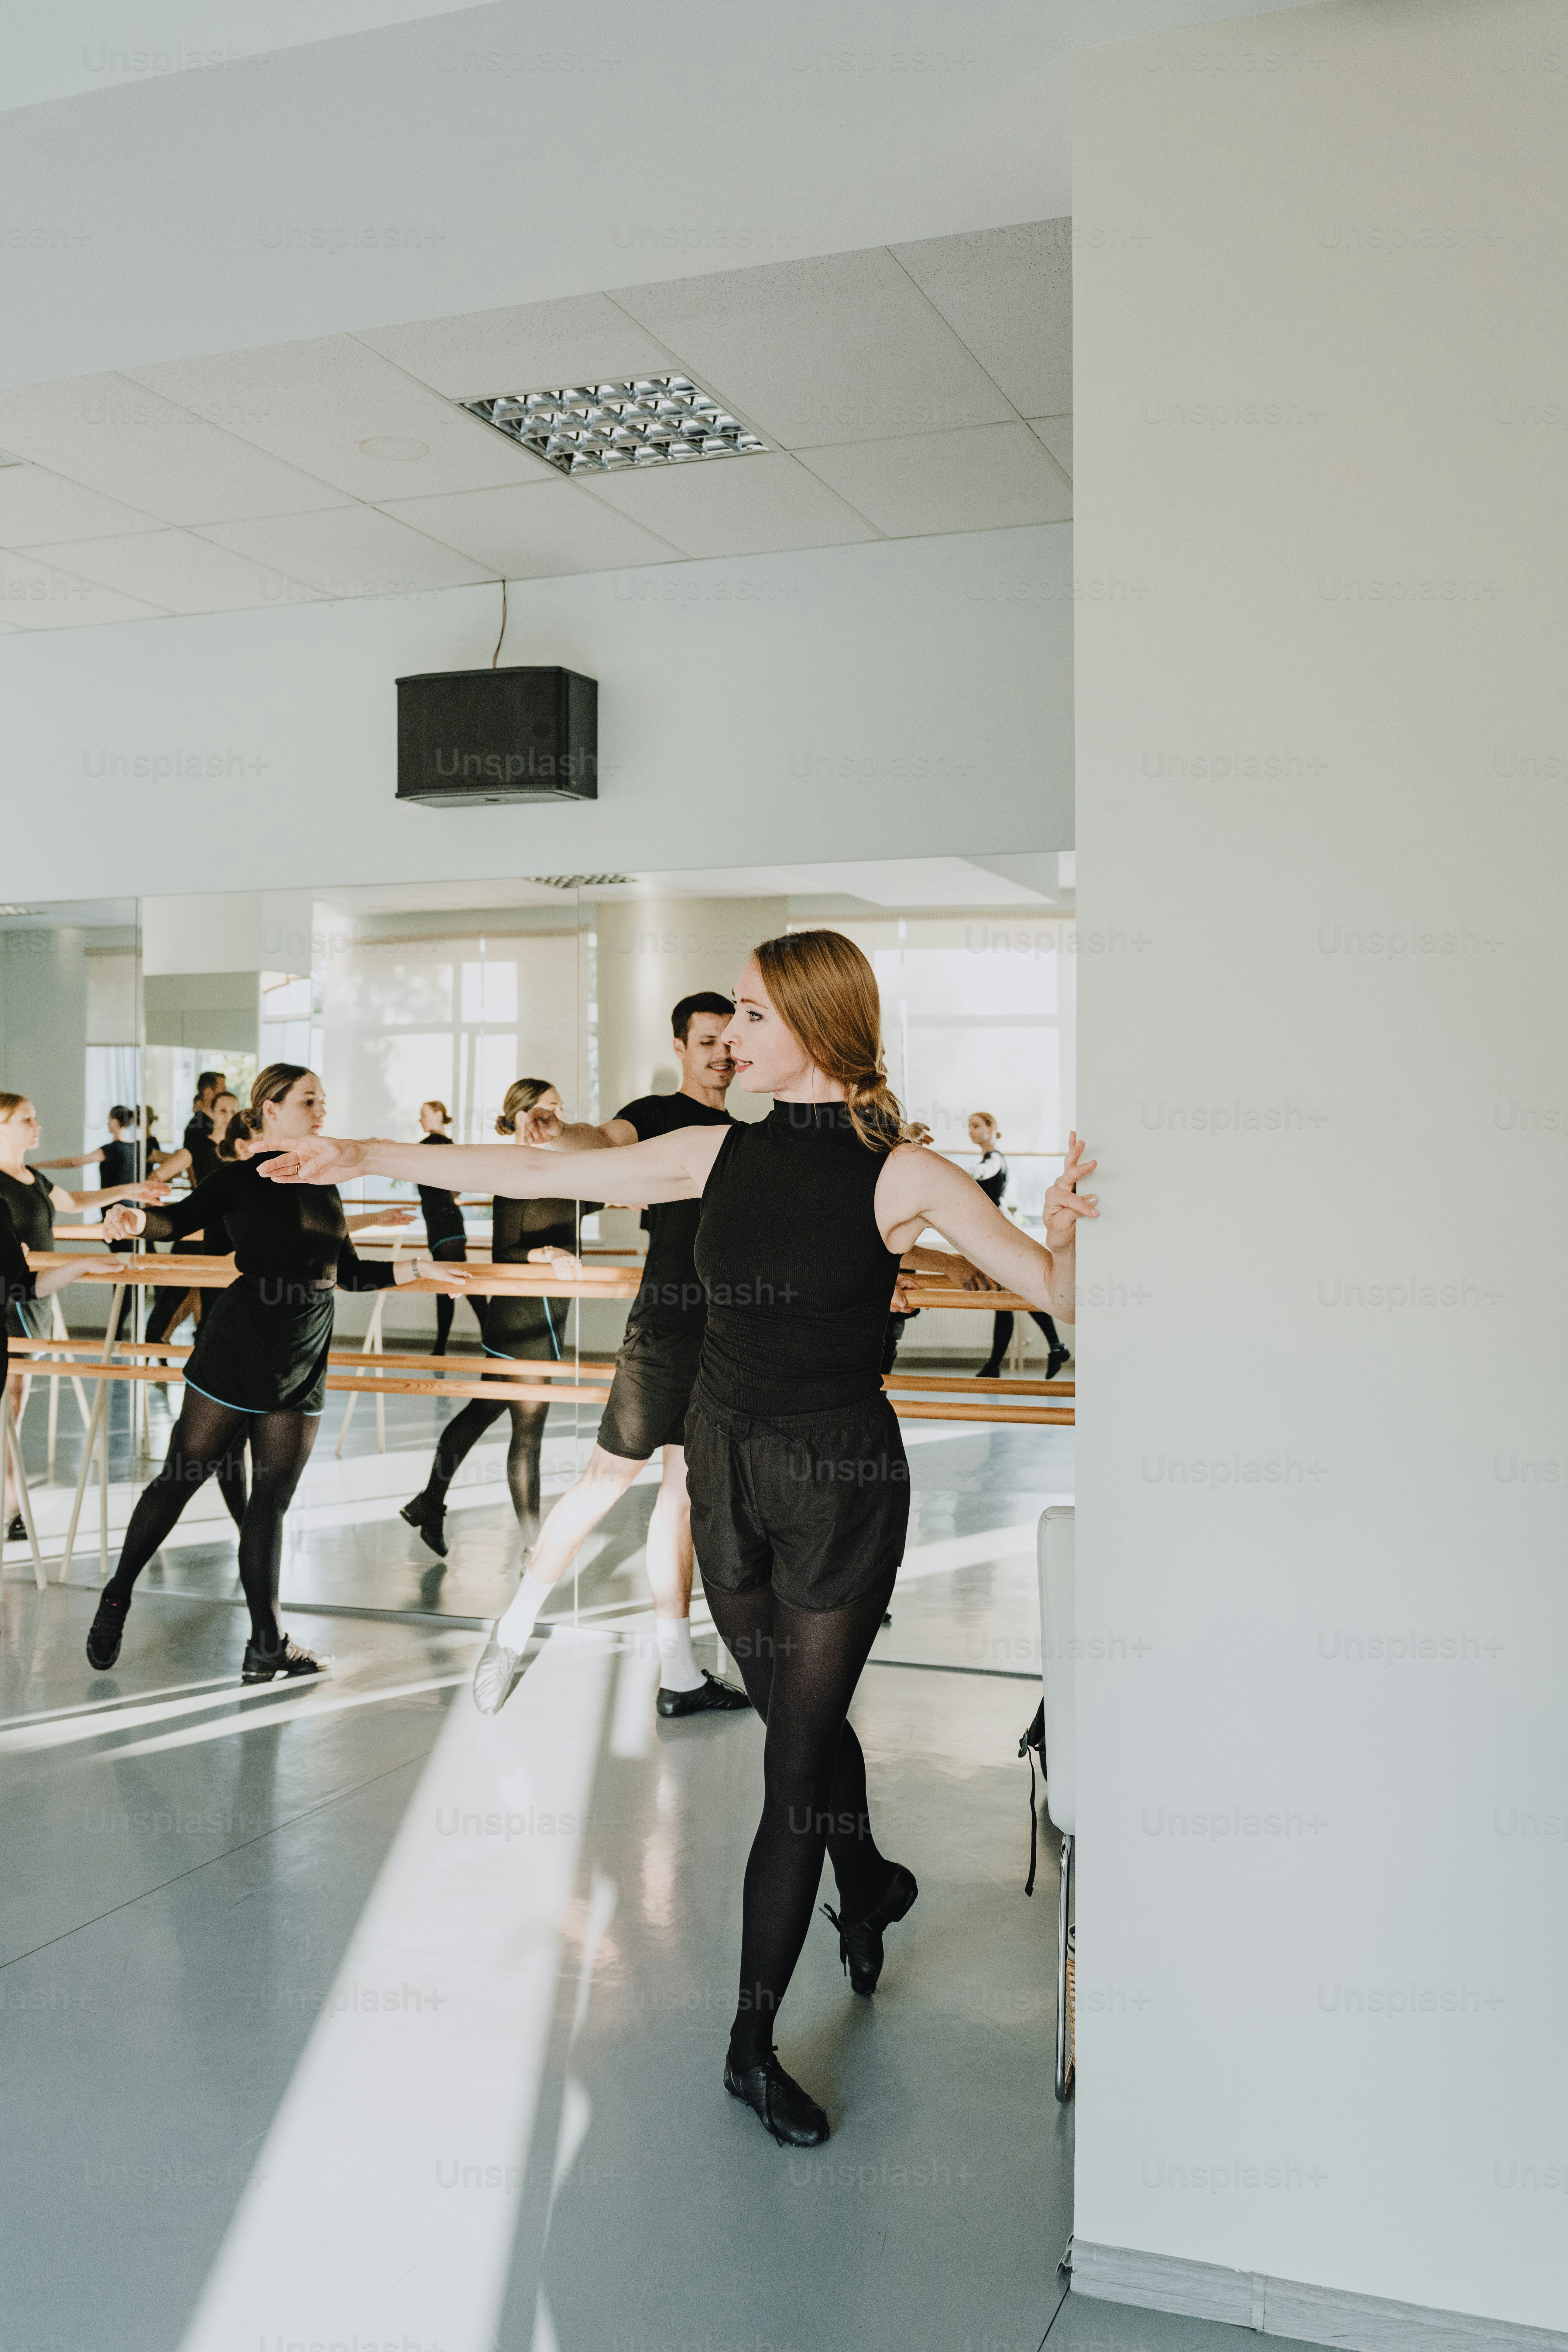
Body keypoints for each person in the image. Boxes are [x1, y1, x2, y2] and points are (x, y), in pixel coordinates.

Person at [259, 931, 1096, 2147]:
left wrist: (1066, 1228)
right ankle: (870, 1883)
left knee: (792, 1768)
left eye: (750, 1016)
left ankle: (750, 2047)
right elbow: (558, 1171)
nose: (728, 1037)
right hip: (725, 1464)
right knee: (792, 1722)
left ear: (812, 1024)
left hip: (837, 1483)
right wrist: (368, 1151)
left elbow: (1055, 1293)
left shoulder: (906, 1175)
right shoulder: (715, 1150)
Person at [86, 1065, 465, 1681]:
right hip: (241, 1343)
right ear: (270, 1108)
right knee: (180, 1480)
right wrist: (132, 1220)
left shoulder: (327, 1181)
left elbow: (345, 1272)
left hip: (306, 1350)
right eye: (308, 1100)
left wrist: (418, 1270)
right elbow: (177, 1221)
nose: (321, 1110)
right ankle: (116, 1595)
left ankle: (266, 1644)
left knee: (271, 1500)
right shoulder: (237, 1177)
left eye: (324, 1099)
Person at [465, 993, 752, 1719]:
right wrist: (560, 1134)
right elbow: (603, 1138)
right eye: (708, 1040)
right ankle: (515, 1626)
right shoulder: (656, 1115)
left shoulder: (750, 1135)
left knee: (682, 1501)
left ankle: (680, 1674)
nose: (722, 1052)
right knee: (602, 1485)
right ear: (683, 1048)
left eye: (731, 1039)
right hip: (663, 1332)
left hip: (724, 1338)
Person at [398, 1079, 586, 1568]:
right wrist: (546, 1252)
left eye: (561, 1108)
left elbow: (579, 1206)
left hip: (542, 1314)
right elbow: (507, 1251)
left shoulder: (563, 1166)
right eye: (549, 1108)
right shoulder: (514, 1171)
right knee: (528, 1431)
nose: (559, 1118)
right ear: (524, 1115)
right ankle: (534, 1548)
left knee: (481, 1412)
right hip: (522, 1321)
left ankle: (428, 1501)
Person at [0, 1092, 168, 1534]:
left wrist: (131, 1191)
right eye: (27, 1119)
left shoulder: (31, 1177)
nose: (37, 1125)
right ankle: (14, 1506)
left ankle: (13, 1505)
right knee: (11, 1403)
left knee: (13, 1406)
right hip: (11, 1298)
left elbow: (72, 1202)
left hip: (35, 1294)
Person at [967, 1111, 1071, 1381]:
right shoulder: (989, 1158)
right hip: (995, 1235)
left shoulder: (994, 1159)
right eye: (969, 1127)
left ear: (992, 1129)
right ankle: (1000, 1364)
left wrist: (947, 1173)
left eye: (977, 1126)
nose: (971, 1131)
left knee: (1019, 1293)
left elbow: (979, 1173)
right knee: (1011, 1297)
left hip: (1001, 1235)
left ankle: (1051, 1348)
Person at [414, 1101, 485, 1355]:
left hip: (444, 1221)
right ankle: (440, 1348)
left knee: (458, 1279)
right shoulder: (446, 1146)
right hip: (440, 1220)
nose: (420, 1120)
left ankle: (490, 1338)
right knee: (445, 1283)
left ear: (438, 1115)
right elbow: (457, 1186)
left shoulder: (432, 1145)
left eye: (423, 1115)